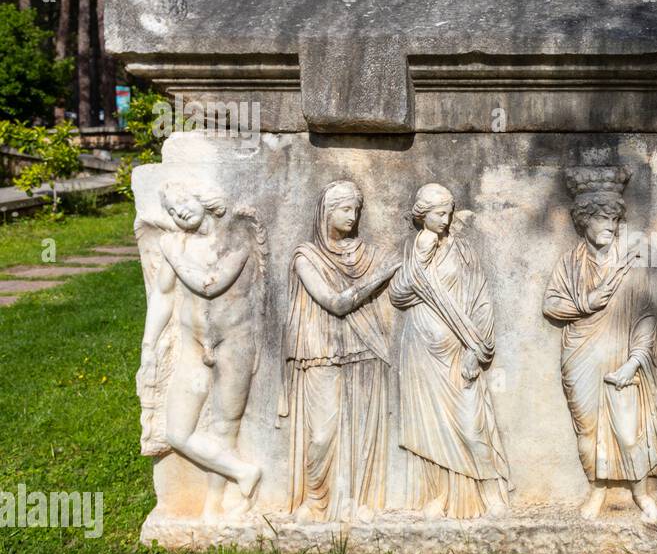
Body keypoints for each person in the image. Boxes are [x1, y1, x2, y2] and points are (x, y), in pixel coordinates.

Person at [139, 179, 263, 521]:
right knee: (177, 433)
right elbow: (162, 296)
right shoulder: (175, 244)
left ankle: (214, 504)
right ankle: (243, 472)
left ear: (203, 198)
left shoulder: (235, 240)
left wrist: (174, 256)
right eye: (171, 210)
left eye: (182, 202)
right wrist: (149, 345)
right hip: (193, 345)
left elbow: (211, 284)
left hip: (234, 344)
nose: (178, 212)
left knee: (224, 428)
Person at [543, 166, 657, 521]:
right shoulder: (570, 264)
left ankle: (640, 493)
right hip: (580, 355)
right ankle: (597, 489)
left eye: (614, 217)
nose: (610, 224)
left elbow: (646, 316)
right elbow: (550, 304)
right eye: (602, 217)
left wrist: (634, 361)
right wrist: (583, 304)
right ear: (584, 221)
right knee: (588, 429)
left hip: (621, 356)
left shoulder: (630, 266)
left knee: (628, 431)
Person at [278, 180, 396, 522]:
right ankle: (317, 501)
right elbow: (335, 302)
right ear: (326, 213)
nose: (353, 216)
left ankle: (354, 502)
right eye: (345, 209)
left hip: (364, 347)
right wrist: (380, 276)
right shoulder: (306, 257)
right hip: (321, 349)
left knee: (360, 431)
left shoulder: (368, 254)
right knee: (322, 434)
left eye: (356, 210)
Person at [390, 183, 510, 519]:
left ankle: (490, 492)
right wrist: (420, 256)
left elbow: (482, 302)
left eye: (448, 213)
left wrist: (477, 349)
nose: (445, 220)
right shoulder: (411, 248)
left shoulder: (464, 251)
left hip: (459, 348)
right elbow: (398, 294)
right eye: (438, 214)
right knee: (431, 425)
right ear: (422, 215)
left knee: (472, 425)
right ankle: (439, 495)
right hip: (420, 351)